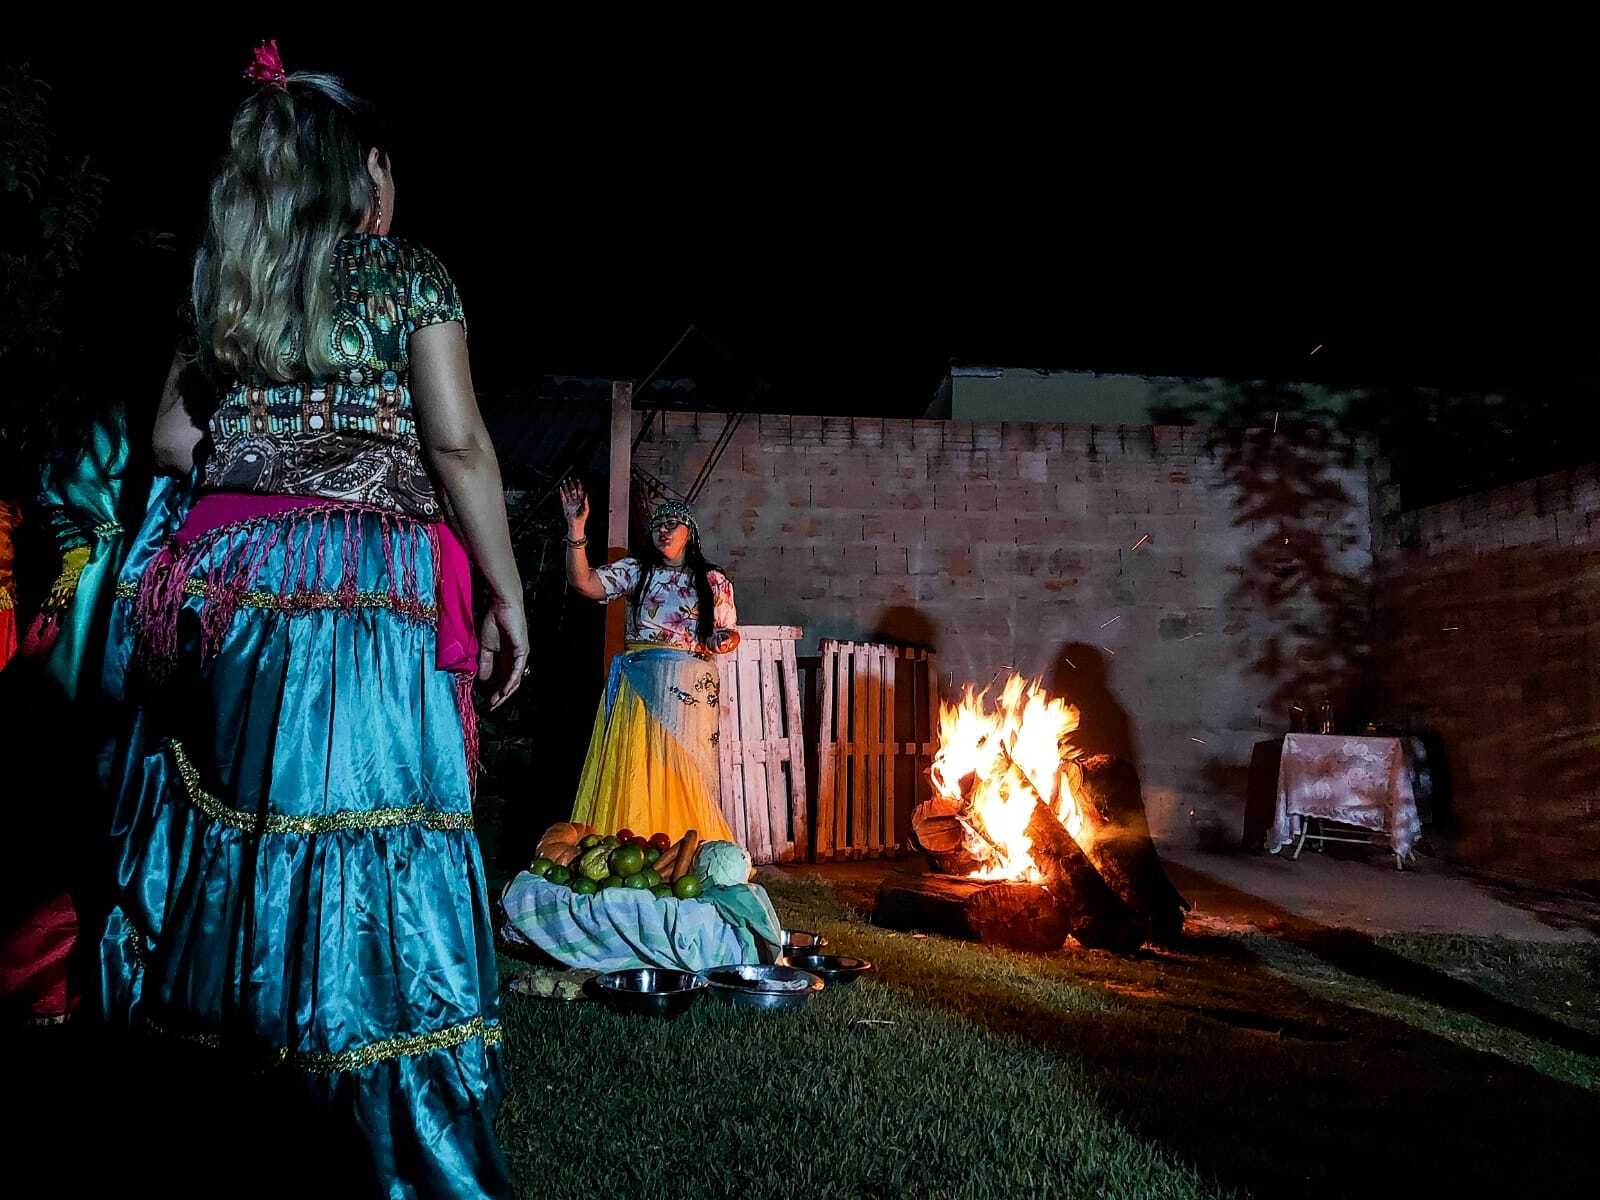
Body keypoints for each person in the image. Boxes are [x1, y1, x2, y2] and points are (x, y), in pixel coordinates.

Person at [97, 43, 525, 1198]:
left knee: (252, 833)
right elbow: (456, 445)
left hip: (230, 584)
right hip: (357, 590)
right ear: (362, 172)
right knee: (370, 837)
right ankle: (372, 1125)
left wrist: (268, 434)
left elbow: (171, 443)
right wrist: (505, 593)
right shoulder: (406, 275)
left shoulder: (231, 280)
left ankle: (244, 1101)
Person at [560, 480, 738, 842]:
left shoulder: (713, 580)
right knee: (637, 766)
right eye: (658, 525)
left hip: (688, 691)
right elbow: (585, 583)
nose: (664, 530)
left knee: (682, 771)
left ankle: (685, 847)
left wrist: (722, 640)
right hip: (641, 686)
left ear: (690, 533)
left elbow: (728, 634)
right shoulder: (637, 571)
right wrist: (576, 529)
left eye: (672, 524)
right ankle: (634, 845)